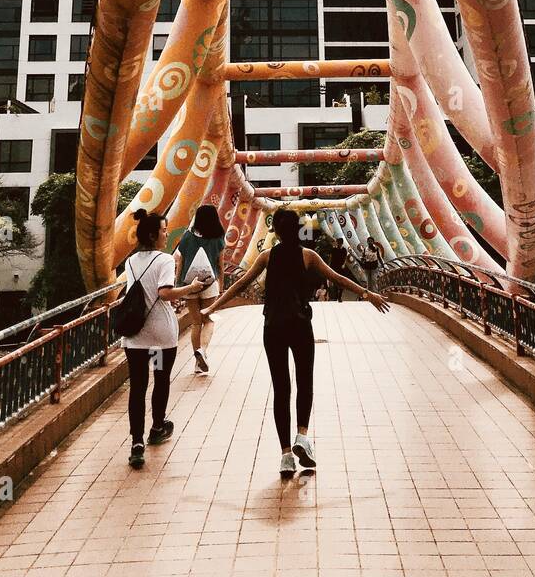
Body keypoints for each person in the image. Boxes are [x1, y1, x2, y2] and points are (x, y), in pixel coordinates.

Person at [203, 208, 390, 477]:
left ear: (276, 231)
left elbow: (241, 283)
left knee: (281, 389)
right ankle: (302, 436)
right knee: (305, 381)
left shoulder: (267, 256)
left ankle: (285, 456)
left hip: (273, 327)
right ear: (299, 229)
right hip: (300, 324)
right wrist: (366, 293)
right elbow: (337, 277)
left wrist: (213, 308)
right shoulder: (308, 256)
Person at [121, 209, 207, 470]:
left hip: (135, 337)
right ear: (152, 234)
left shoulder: (131, 261)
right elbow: (165, 293)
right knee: (160, 380)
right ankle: (157, 426)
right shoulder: (165, 260)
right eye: (164, 230)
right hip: (160, 335)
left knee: (137, 387)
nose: (167, 234)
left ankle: (137, 443)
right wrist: (191, 289)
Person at [174, 204, 226, 374]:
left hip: (190, 284)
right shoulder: (218, 238)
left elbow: (181, 262)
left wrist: (178, 284)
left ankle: (197, 363)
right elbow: (220, 264)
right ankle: (202, 350)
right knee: (209, 320)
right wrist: (222, 286)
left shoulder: (187, 237)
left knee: (196, 323)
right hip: (210, 284)